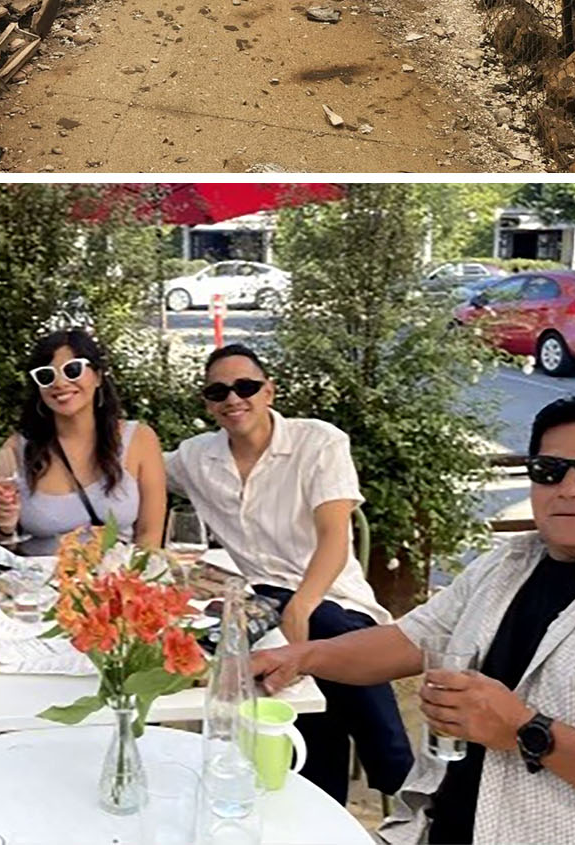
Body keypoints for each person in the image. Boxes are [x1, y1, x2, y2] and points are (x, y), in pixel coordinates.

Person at [250, 395, 575, 844]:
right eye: (550, 471)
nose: (570, 488)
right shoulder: (508, 564)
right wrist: (300, 656)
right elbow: (410, 639)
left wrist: (526, 730)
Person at [167, 342, 413, 805]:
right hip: (256, 605)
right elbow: (132, 466)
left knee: (324, 635)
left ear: (269, 391)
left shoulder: (318, 441)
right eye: (218, 391)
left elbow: (334, 538)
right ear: (207, 403)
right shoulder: (196, 457)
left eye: (246, 386)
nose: (233, 399)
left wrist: (302, 605)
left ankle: (375, 778)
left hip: (331, 598)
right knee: (278, 667)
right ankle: (394, 783)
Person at [0, 329, 167, 555]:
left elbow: (150, 535)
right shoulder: (15, 449)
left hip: (115, 582)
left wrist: (132, 584)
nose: (59, 383)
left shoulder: (140, 439)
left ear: (98, 376)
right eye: (46, 376)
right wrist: (4, 526)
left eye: (72, 370)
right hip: (41, 585)